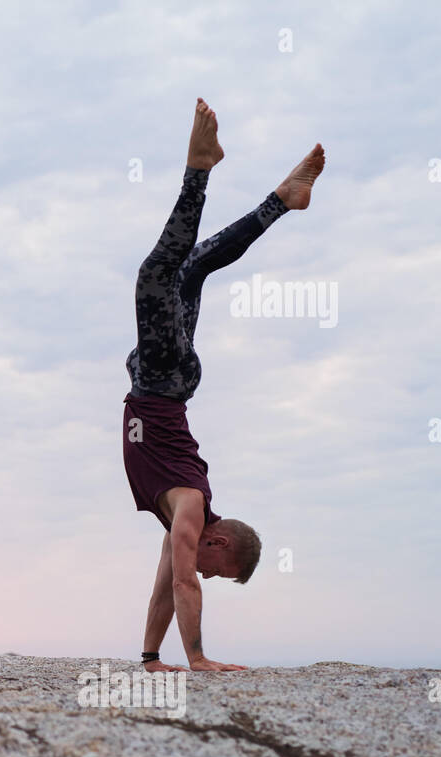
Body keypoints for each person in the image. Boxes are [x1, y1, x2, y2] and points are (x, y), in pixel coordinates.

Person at [122, 98, 324, 673]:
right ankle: (201, 168)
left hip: (162, 377)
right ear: (220, 544)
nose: (208, 573)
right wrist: (200, 659)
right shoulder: (189, 509)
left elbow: (166, 583)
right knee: (159, 273)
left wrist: (150, 658)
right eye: (219, 569)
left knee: (191, 266)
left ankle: (283, 199)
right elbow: (186, 583)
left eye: (217, 576)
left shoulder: (180, 515)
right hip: (163, 378)